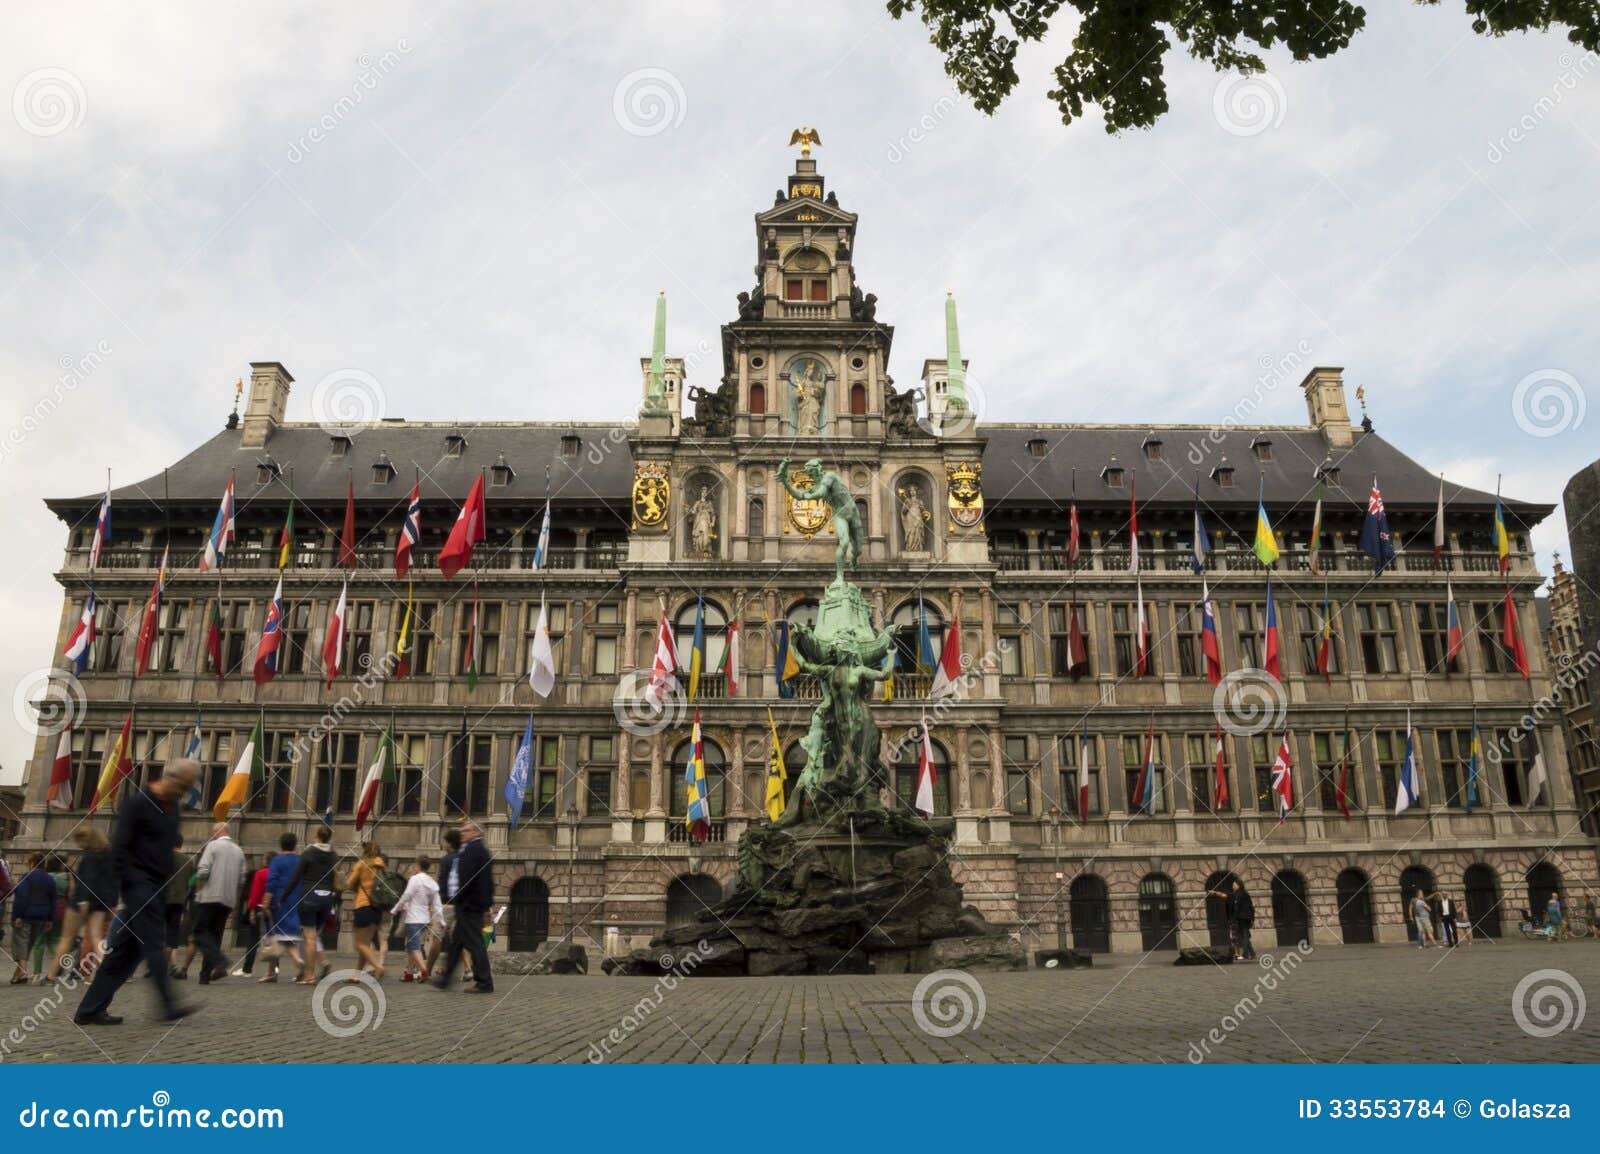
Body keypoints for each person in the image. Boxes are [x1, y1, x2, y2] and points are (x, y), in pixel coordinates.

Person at [73, 760, 199, 1025]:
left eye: (188, 787)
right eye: (183, 785)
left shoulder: (172, 806)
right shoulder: (138, 803)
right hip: (138, 884)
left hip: (156, 884)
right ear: (170, 777)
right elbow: (120, 845)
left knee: (126, 952)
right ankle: (168, 1004)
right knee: (153, 941)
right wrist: (126, 885)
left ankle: (89, 1009)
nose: (185, 791)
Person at [46, 828, 114, 980]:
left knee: (66, 938)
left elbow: (86, 881)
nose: (78, 844)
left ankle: (50, 976)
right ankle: (107, 973)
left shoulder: (89, 856)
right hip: (100, 902)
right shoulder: (107, 857)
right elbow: (111, 882)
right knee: (97, 938)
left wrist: (83, 901)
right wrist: (109, 903)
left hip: (81, 901)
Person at [433, 822, 493, 993]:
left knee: (475, 944)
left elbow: (469, 879)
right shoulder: (475, 849)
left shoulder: (474, 850)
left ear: (475, 832)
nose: (462, 834)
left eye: (465, 831)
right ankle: (445, 979)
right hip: (468, 903)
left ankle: (484, 982)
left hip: (469, 904)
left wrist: (459, 897)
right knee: (456, 943)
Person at [191, 822, 245, 983]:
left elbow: (204, 871)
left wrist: (198, 886)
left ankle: (220, 961)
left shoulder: (213, 846)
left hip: (209, 896)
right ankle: (205, 975)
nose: (212, 835)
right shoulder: (239, 851)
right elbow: (242, 879)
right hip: (228, 899)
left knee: (200, 932)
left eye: (213, 832)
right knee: (215, 935)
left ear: (218, 832)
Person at [286, 826, 338, 984]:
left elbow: (296, 877)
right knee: (314, 936)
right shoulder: (333, 855)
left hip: (309, 896)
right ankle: (315, 967)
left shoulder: (308, 853)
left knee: (309, 937)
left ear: (316, 836)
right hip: (327, 898)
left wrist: (283, 896)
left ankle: (309, 975)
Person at [256, 833, 304, 982]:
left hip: (279, 902)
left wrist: (265, 902)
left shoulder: (277, 861)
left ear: (281, 844)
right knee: (287, 936)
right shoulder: (300, 860)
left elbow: (271, 882)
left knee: (276, 936)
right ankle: (273, 971)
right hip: (296, 901)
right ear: (295, 845)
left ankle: (289, 964)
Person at [343, 841, 389, 980]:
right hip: (377, 908)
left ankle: (378, 967)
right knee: (366, 944)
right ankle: (356, 976)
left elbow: (350, 884)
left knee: (360, 944)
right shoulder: (382, 866)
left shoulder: (361, 864)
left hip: (363, 906)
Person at [391, 857, 443, 982]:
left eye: (415, 866)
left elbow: (406, 896)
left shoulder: (415, 879)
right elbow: (436, 902)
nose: (414, 868)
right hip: (425, 918)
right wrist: (440, 918)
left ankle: (424, 970)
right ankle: (409, 973)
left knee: (414, 946)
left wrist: (395, 909)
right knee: (412, 946)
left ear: (418, 866)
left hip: (414, 918)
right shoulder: (431, 881)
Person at [8, 854, 57, 985]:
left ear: (32, 863)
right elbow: (53, 901)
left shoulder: (26, 877)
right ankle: (17, 975)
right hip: (42, 916)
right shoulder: (50, 879)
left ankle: (23, 971)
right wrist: (50, 919)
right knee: (29, 944)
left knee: (21, 943)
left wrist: (17, 916)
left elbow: (21, 898)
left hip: (26, 915)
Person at [424, 829, 462, 977]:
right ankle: (466, 969)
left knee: (437, 938)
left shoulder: (446, 860)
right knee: (458, 940)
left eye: (445, 841)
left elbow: (441, 883)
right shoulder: (464, 858)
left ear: (449, 843)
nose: (443, 844)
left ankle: (427, 970)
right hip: (460, 904)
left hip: (445, 903)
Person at [232, 852, 274, 977]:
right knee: (273, 939)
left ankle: (247, 969)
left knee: (253, 939)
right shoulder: (277, 874)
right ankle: (274, 968)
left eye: (264, 859)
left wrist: (251, 910)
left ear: (266, 861)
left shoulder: (260, 873)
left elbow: (254, 894)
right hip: (273, 909)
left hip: (259, 908)